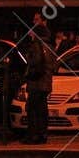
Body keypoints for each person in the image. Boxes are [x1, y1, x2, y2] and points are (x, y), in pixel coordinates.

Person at [20, 13, 56, 144]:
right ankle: (42, 134)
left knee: (32, 109)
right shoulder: (50, 46)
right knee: (42, 109)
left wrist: (28, 58)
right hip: (46, 82)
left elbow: (35, 61)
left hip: (36, 82)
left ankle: (33, 135)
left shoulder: (36, 45)